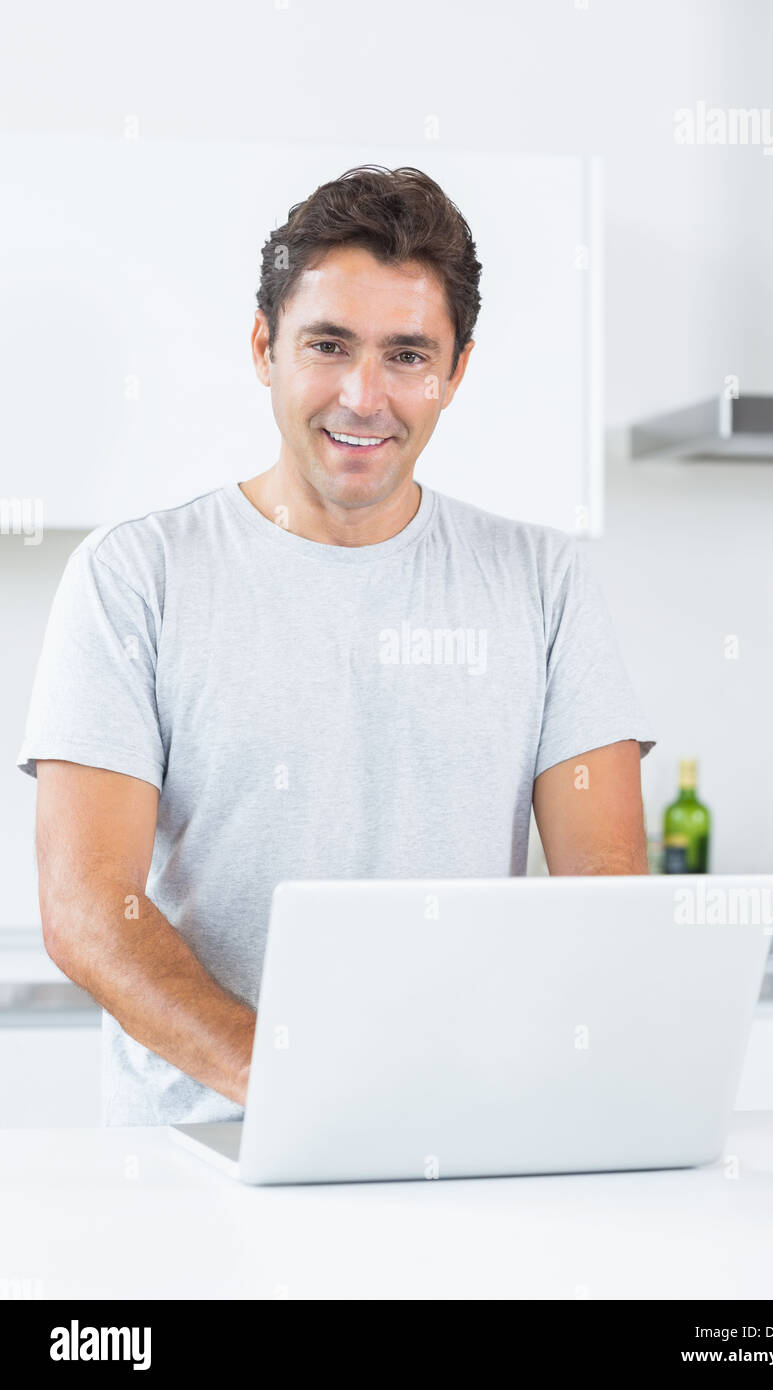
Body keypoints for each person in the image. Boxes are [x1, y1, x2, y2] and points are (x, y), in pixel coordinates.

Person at [17, 165, 655, 1127]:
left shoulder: (543, 583)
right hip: (205, 1148)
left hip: (458, 1131)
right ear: (264, 347)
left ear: (457, 371)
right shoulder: (133, 576)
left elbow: (606, 895)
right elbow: (86, 911)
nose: (364, 396)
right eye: (328, 344)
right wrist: (282, 1082)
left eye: (407, 355)